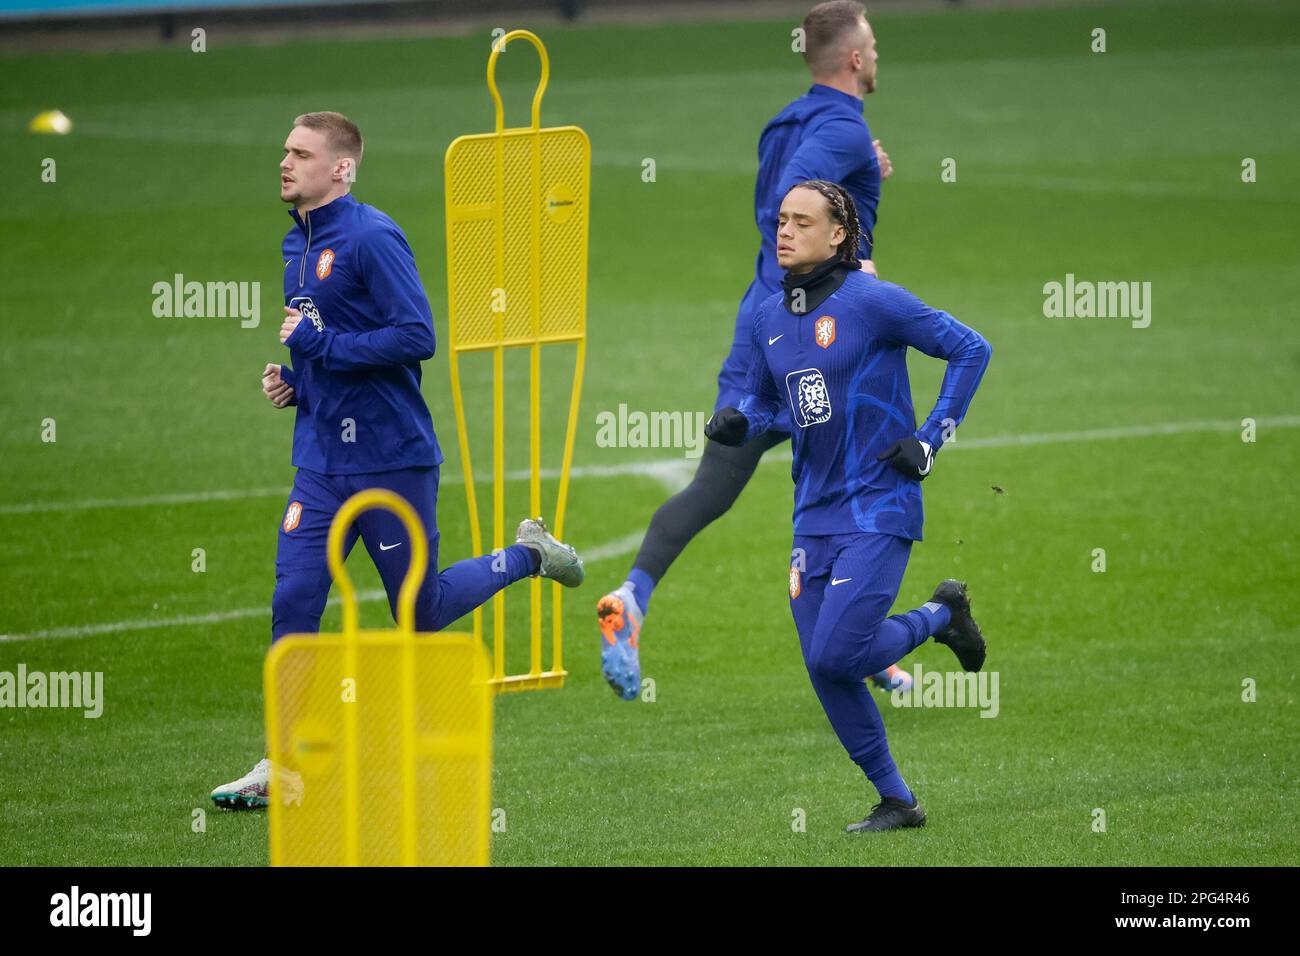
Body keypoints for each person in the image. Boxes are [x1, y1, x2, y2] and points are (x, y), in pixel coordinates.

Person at [210, 111, 583, 810]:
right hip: (321, 462)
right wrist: (297, 386)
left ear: (340, 169)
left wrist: (320, 351)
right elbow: (326, 341)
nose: (284, 163)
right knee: (294, 601)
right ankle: (280, 767)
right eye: (284, 151)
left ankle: (529, 556)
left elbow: (416, 336)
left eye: (299, 153)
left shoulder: (373, 237)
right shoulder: (298, 243)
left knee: (420, 610)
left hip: (392, 459)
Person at [598, 0, 908, 699]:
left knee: (716, 484)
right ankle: (862, 641)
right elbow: (794, 201)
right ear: (855, 59)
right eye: (875, 44)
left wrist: (862, 174)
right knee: (864, 480)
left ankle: (632, 598)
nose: (879, 54)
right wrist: (850, 263)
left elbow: (788, 188)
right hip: (818, 327)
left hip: (761, 323)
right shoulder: (838, 130)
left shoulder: (791, 120)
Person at [704, 179, 991, 831]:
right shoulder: (766, 315)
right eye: (780, 219)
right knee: (826, 666)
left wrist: (929, 441)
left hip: (879, 507)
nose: (784, 230)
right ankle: (898, 800)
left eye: (801, 222)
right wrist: (739, 419)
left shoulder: (873, 302)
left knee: (838, 653)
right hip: (814, 512)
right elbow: (770, 401)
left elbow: (971, 348)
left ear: (838, 235)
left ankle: (940, 615)